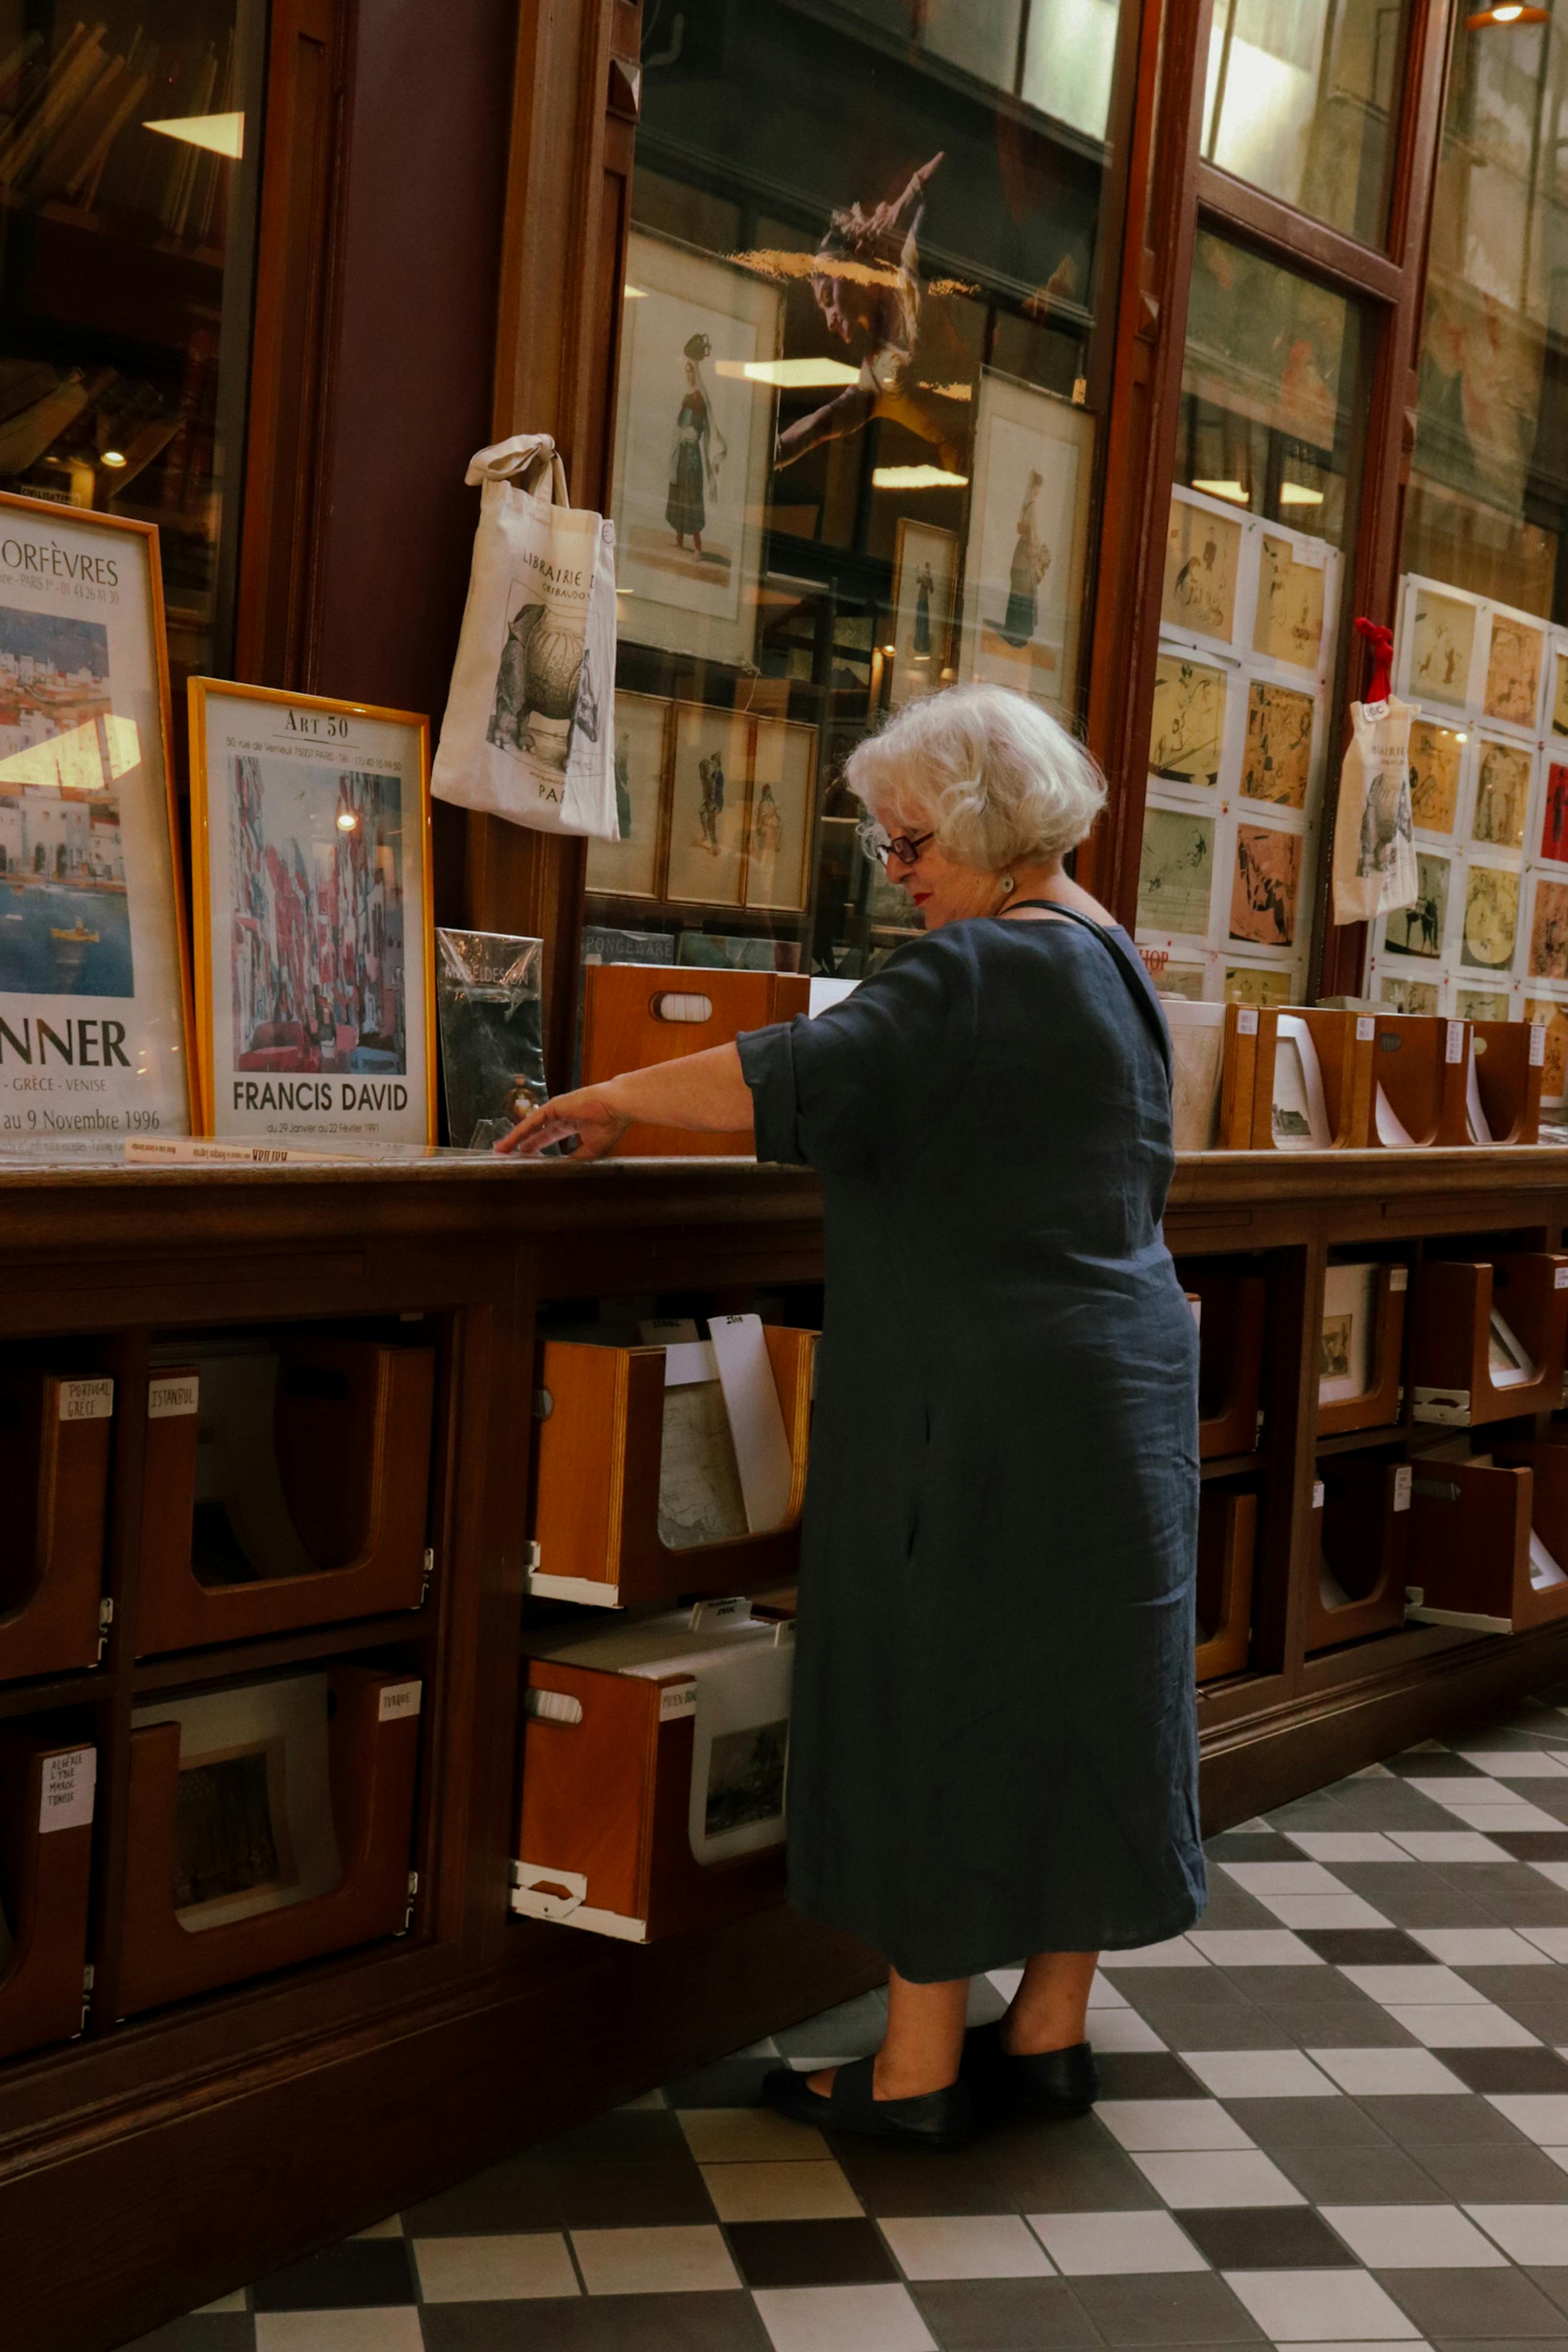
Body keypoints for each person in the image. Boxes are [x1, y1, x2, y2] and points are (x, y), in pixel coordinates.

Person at [497, 683, 1205, 2151]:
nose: (899, 874)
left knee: (931, 1690)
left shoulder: (972, 976)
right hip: (1121, 1383)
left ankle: (918, 2065)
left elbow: (793, 1074)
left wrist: (612, 1095)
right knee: (1088, 1693)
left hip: (979, 1396)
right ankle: (1052, 2035)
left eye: (908, 843)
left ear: (986, 827)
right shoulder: (1112, 955)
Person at [667, 333, 726, 555]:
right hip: (681, 453)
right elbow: (680, 419)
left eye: (691, 370)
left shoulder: (700, 397)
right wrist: (680, 432)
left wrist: (692, 433)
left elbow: (701, 424)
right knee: (679, 493)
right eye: (687, 370)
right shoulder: (686, 394)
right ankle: (679, 540)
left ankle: (698, 550)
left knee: (691, 497)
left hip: (692, 455)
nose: (689, 374)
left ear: (696, 372)